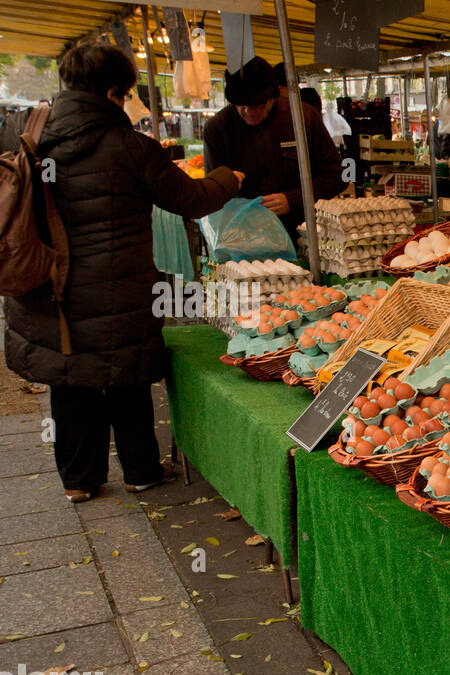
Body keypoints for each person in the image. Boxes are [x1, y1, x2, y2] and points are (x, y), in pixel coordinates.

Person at [1, 42, 244, 502]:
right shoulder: (131, 147)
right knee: (125, 375)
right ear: (115, 91)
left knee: (68, 377)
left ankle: (79, 480)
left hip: (45, 282)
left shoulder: (26, 131)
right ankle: (140, 471)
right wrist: (230, 179)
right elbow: (191, 200)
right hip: (119, 288)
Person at [203, 57, 343, 234]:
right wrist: (227, 184)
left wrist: (293, 200)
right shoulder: (217, 128)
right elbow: (212, 191)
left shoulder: (303, 117)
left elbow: (337, 175)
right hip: (242, 234)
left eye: (257, 106)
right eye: (241, 105)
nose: (247, 112)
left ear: (272, 97)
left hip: (302, 232)